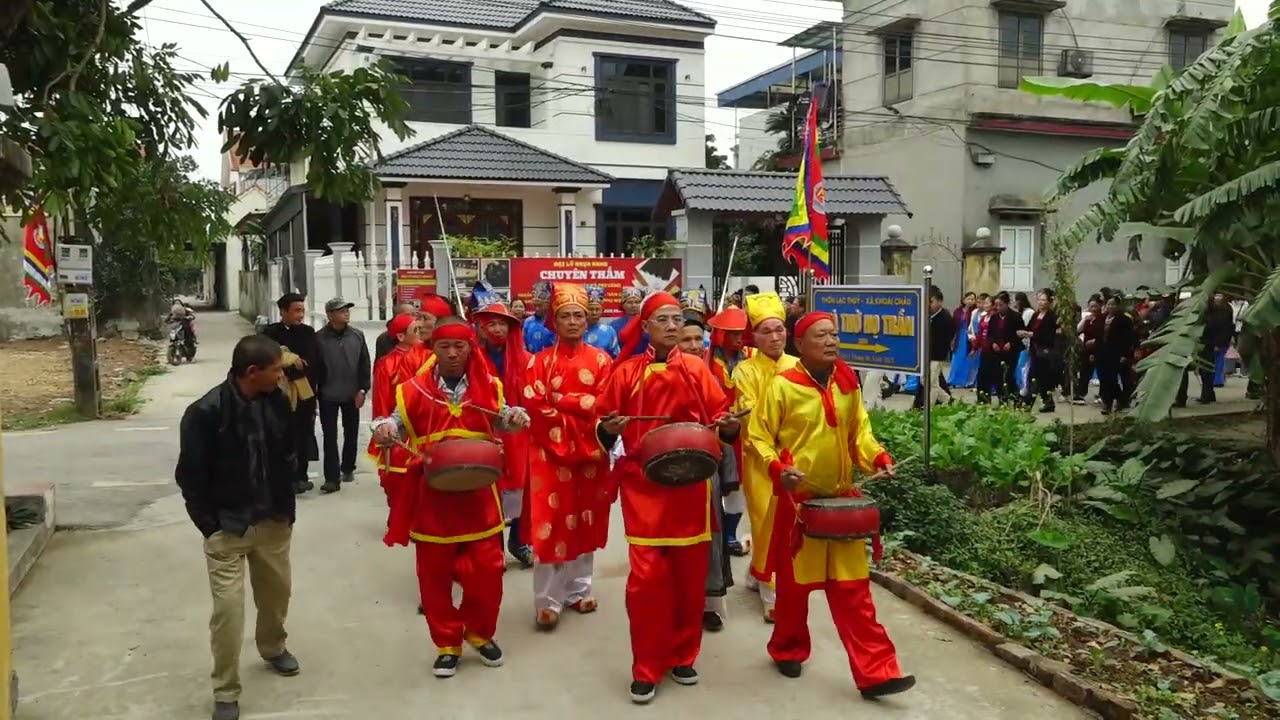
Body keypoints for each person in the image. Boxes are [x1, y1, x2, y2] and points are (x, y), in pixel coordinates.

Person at [746, 311, 915, 699]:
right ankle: (787, 649)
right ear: (800, 345)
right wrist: (777, 467)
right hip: (798, 504)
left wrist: (879, 458)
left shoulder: (846, 380)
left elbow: (861, 433)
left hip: (841, 503)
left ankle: (877, 673)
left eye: (834, 334)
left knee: (854, 591)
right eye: (821, 335)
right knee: (793, 592)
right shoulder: (781, 386)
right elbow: (758, 436)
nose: (831, 341)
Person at [595, 291, 736, 705]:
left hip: (690, 486)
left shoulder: (696, 368)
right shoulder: (625, 373)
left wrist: (727, 427)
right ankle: (646, 667)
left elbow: (721, 419)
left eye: (677, 319)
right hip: (644, 487)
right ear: (645, 327)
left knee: (690, 582)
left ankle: (683, 655)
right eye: (663, 320)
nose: (673, 326)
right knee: (646, 584)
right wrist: (611, 429)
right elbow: (602, 424)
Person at [371, 317, 531, 678]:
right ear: (433, 349)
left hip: (479, 495)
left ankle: (479, 632)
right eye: (445, 346)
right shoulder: (412, 389)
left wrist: (514, 417)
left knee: (487, 573)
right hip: (435, 497)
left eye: (460, 346)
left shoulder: (489, 386)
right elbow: (394, 421)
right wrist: (384, 428)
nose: (453, 353)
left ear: (470, 348)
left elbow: (502, 419)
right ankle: (447, 643)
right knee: (434, 576)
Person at [176, 334, 302, 720]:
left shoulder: (277, 400)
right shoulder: (205, 412)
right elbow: (190, 478)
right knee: (228, 614)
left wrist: (286, 502)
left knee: (276, 597)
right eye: (276, 369)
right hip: (228, 528)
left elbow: (290, 449)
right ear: (252, 372)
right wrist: (211, 527)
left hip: (273, 521)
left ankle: (273, 647)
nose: (282, 375)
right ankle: (225, 690)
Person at [522, 283, 614, 628]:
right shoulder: (539, 362)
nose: (573, 321)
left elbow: (605, 405)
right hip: (550, 453)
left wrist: (562, 402)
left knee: (585, 518)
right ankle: (547, 600)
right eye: (565, 316)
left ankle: (578, 590)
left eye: (578, 315)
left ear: (587, 319)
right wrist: (580, 410)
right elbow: (535, 405)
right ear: (554, 322)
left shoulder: (603, 360)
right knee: (551, 523)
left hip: (591, 455)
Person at [730, 291, 799, 623]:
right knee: (765, 521)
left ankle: (760, 575)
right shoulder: (745, 371)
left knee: (788, 525)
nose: (774, 337)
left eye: (779, 329)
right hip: (760, 461)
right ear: (754, 336)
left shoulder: (799, 367)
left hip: (796, 460)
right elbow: (749, 417)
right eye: (766, 331)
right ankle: (772, 593)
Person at [471, 292, 535, 570]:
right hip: (486, 431)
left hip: (518, 433)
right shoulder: (474, 361)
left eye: (502, 324)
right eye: (491, 324)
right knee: (488, 488)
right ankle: (492, 545)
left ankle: (519, 541)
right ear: (482, 328)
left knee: (520, 487)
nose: (497, 329)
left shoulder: (527, 360)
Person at [702, 302, 753, 628]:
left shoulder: (749, 360)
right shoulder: (708, 364)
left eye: (740, 333)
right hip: (716, 432)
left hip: (744, 431)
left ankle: (733, 534)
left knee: (740, 494)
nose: (737, 338)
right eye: (731, 333)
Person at [366, 313, 428, 510]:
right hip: (399, 428)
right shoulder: (386, 364)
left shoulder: (428, 357)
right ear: (400, 337)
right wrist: (383, 428)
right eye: (415, 330)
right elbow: (381, 400)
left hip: (425, 426)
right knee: (397, 477)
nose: (420, 333)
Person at [261, 293, 320, 494]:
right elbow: (268, 362)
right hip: (276, 395)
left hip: (304, 394)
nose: (300, 315)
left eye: (302, 310)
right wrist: (288, 362)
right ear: (283, 311)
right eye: (296, 310)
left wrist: (291, 365)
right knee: (277, 436)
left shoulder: (308, 333)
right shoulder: (269, 334)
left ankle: (301, 477)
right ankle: (280, 478)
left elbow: (310, 362)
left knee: (302, 436)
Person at [314, 298, 371, 493]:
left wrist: (363, 389)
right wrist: (315, 395)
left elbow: (364, 364)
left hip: (351, 394)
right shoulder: (319, 338)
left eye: (347, 310)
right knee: (329, 436)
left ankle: (348, 467)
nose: (346, 313)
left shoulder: (357, 335)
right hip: (327, 394)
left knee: (351, 433)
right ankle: (331, 477)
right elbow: (315, 369)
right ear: (330, 315)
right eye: (341, 310)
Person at [977, 292, 1025, 404]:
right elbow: (990, 334)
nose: (998, 308)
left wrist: (1011, 343)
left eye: (1001, 305)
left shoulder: (1015, 317)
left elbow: (1020, 334)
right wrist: (993, 343)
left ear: (1007, 304)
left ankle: (1015, 397)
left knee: (1008, 374)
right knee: (998, 376)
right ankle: (1002, 398)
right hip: (997, 351)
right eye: (997, 305)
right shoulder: (994, 318)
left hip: (1011, 351)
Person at [1018, 289, 1060, 413]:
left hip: (1045, 351)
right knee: (1039, 378)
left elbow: (1048, 335)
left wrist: (1031, 334)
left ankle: (1028, 403)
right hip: (1034, 350)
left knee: (1036, 377)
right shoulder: (1036, 314)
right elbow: (1029, 328)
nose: (1040, 303)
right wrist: (1023, 332)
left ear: (1049, 301)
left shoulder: (1052, 316)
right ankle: (1048, 402)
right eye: (1039, 300)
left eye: (1043, 300)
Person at [914, 286, 955, 409]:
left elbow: (946, 339)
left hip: (937, 355)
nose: (928, 305)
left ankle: (927, 409)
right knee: (930, 382)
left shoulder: (945, 318)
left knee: (929, 382)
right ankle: (947, 399)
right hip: (926, 355)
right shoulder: (927, 316)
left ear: (939, 301)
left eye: (931, 302)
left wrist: (940, 355)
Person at [1096, 296, 1137, 414]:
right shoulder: (1102, 318)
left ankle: (1119, 400)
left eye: (1113, 304)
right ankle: (1109, 402)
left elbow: (1128, 339)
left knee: (1113, 379)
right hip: (1102, 354)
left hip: (1117, 354)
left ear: (1118, 306)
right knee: (1104, 380)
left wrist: (1126, 355)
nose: (1110, 306)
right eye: (1108, 304)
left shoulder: (1124, 319)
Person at [1074, 296, 1104, 405]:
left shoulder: (1103, 319)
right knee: (1084, 372)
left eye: (1095, 306)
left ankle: (1103, 394)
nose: (1093, 309)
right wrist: (1084, 320)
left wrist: (1095, 342)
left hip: (1099, 350)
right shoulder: (1088, 319)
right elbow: (1078, 330)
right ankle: (1080, 394)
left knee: (1101, 373)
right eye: (1091, 306)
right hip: (1086, 350)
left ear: (1100, 306)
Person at [946, 292, 976, 389]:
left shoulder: (974, 312)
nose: (971, 301)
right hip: (959, 337)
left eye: (973, 299)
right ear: (964, 300)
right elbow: (953, 325)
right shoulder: (957, 311)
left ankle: (965, 380)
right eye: (969, 299)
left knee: (967, 360)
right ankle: (953, 380)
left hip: (969, 337)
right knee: (956, 359)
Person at [583, 284, 621, 357]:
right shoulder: (576, 330)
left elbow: (616, 357)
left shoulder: (609, 331)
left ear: (602, 310)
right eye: (590, 309)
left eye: (597, 309)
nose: (594, 313)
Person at [524, 280, 557, 353]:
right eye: (535, 305)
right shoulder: (528, 322)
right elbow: (524, 347)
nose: (537, 308)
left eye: (540, 305)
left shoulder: (556, 323)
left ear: (549, 304)